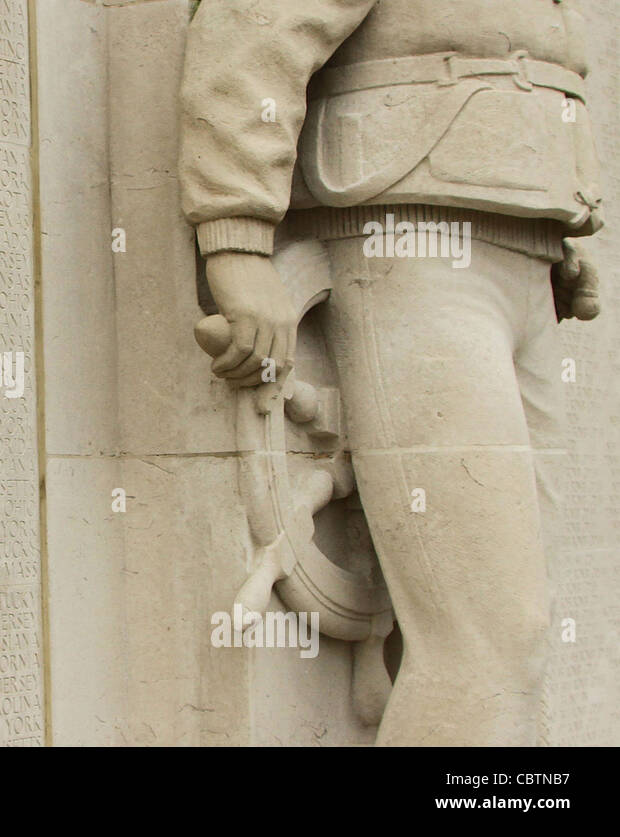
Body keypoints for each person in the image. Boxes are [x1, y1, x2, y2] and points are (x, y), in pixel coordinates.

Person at [179, 0, 603, 745]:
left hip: (522, 256)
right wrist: (236, 233)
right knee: (486, 639)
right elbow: (256, 28)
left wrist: (554, 216)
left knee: (521, 641)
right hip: (414, 243)